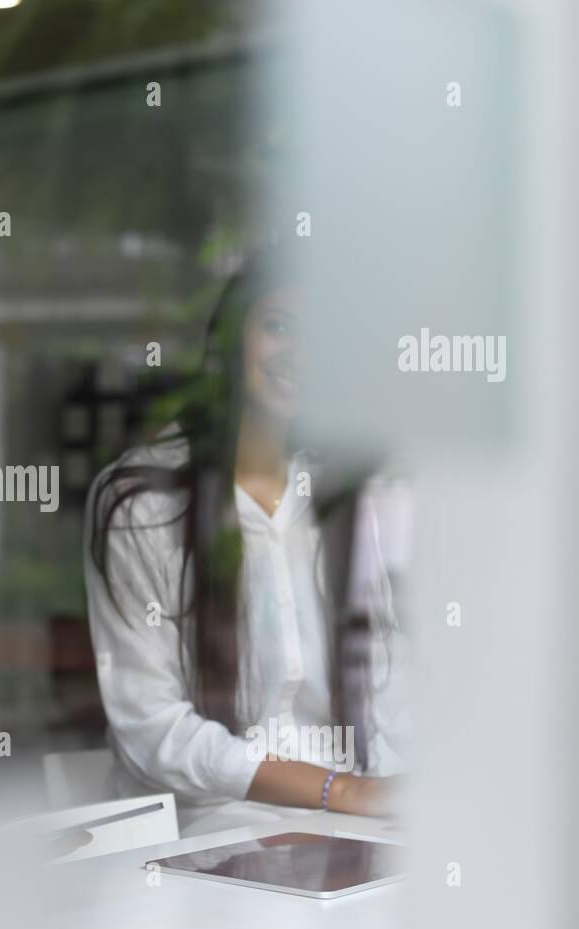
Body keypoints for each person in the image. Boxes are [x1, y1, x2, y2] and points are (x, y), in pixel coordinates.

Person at [83, 245, 410, 835]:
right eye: (279, 325)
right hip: (209, 831)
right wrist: (342, 789)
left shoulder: (356, 498)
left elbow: (393, 690)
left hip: (355, 828)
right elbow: (152, 729)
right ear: (233, 338)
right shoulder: (145, 501)